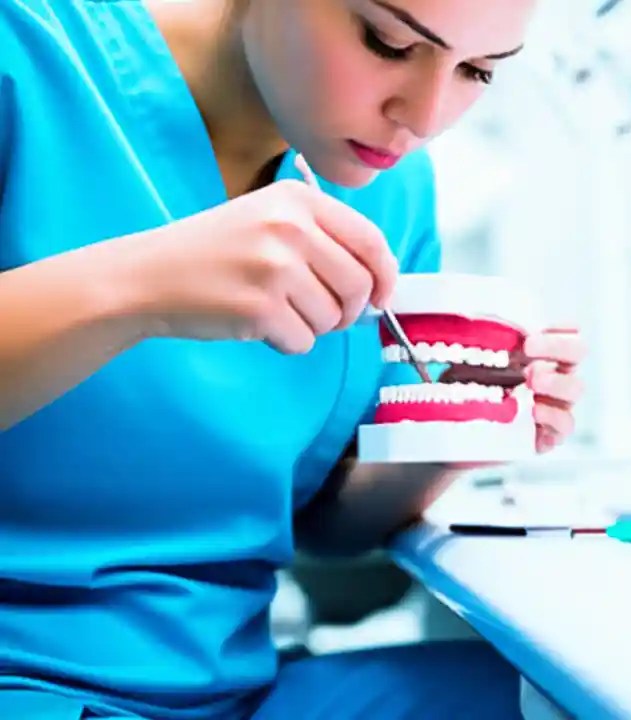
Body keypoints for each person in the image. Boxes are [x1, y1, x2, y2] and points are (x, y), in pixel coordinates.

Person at [0, 0, 586, 717]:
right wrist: (139, 286)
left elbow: (325, 527)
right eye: (387, 41)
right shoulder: (26, 53)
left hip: (241, 692)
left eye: (476, 71)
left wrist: (456, 435)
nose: (425, 117)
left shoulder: (388, 189)